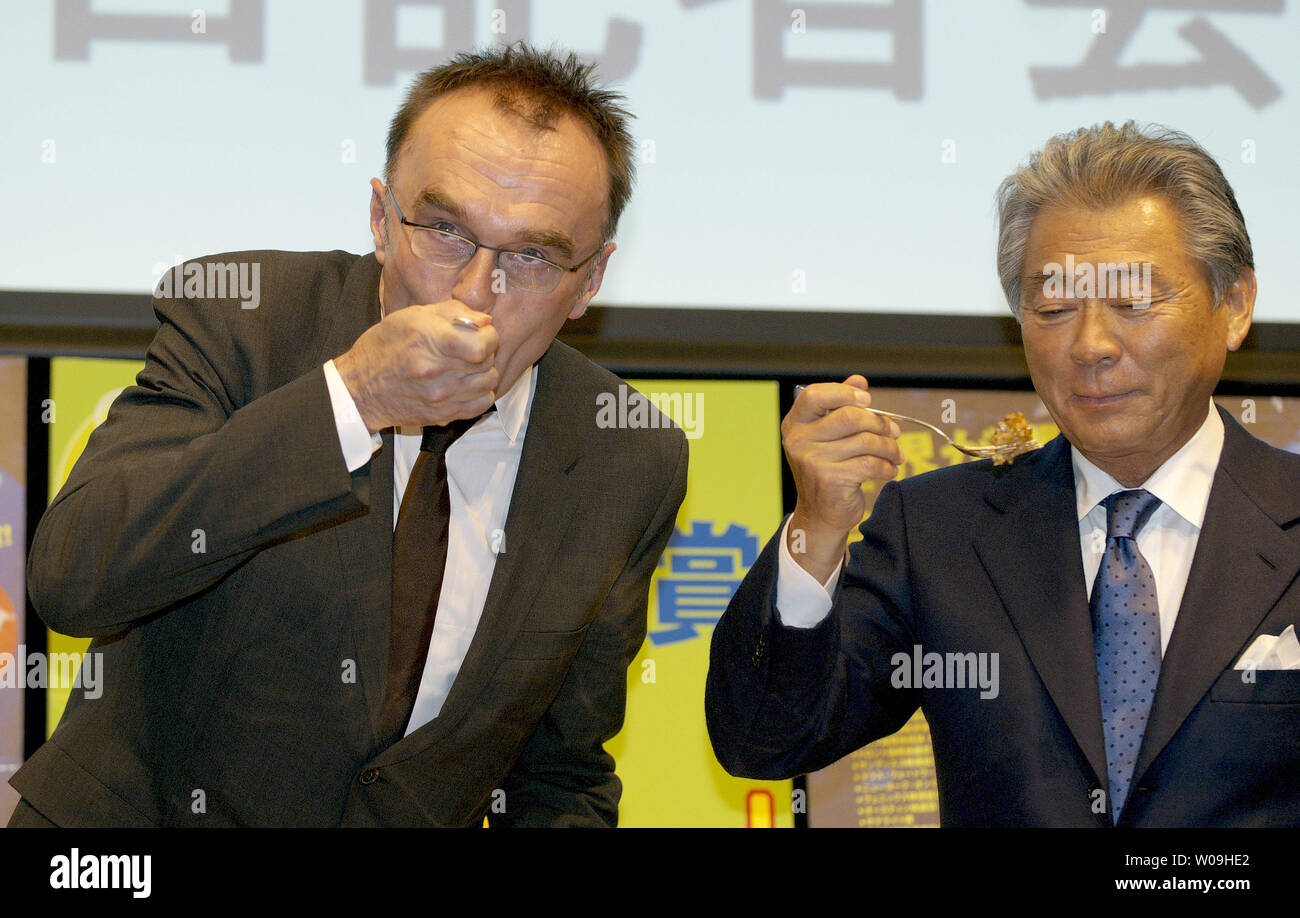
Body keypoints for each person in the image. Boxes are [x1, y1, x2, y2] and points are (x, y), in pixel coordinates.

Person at [10, 44, 688, 827]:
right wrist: (354, 398)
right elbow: (77, 576)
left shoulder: (627, 457)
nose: (477, 292)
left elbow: (561, 775)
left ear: (591, 282)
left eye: (532, 256)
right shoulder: (245, 320)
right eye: (444, 230)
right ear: (380, 219)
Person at [706, 122, 1299, 827]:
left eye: (1133, 303)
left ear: (1233, 304)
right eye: (1052, 309)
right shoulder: (939, 533)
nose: (1091, 346)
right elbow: (765, 739)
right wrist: (816, 529)